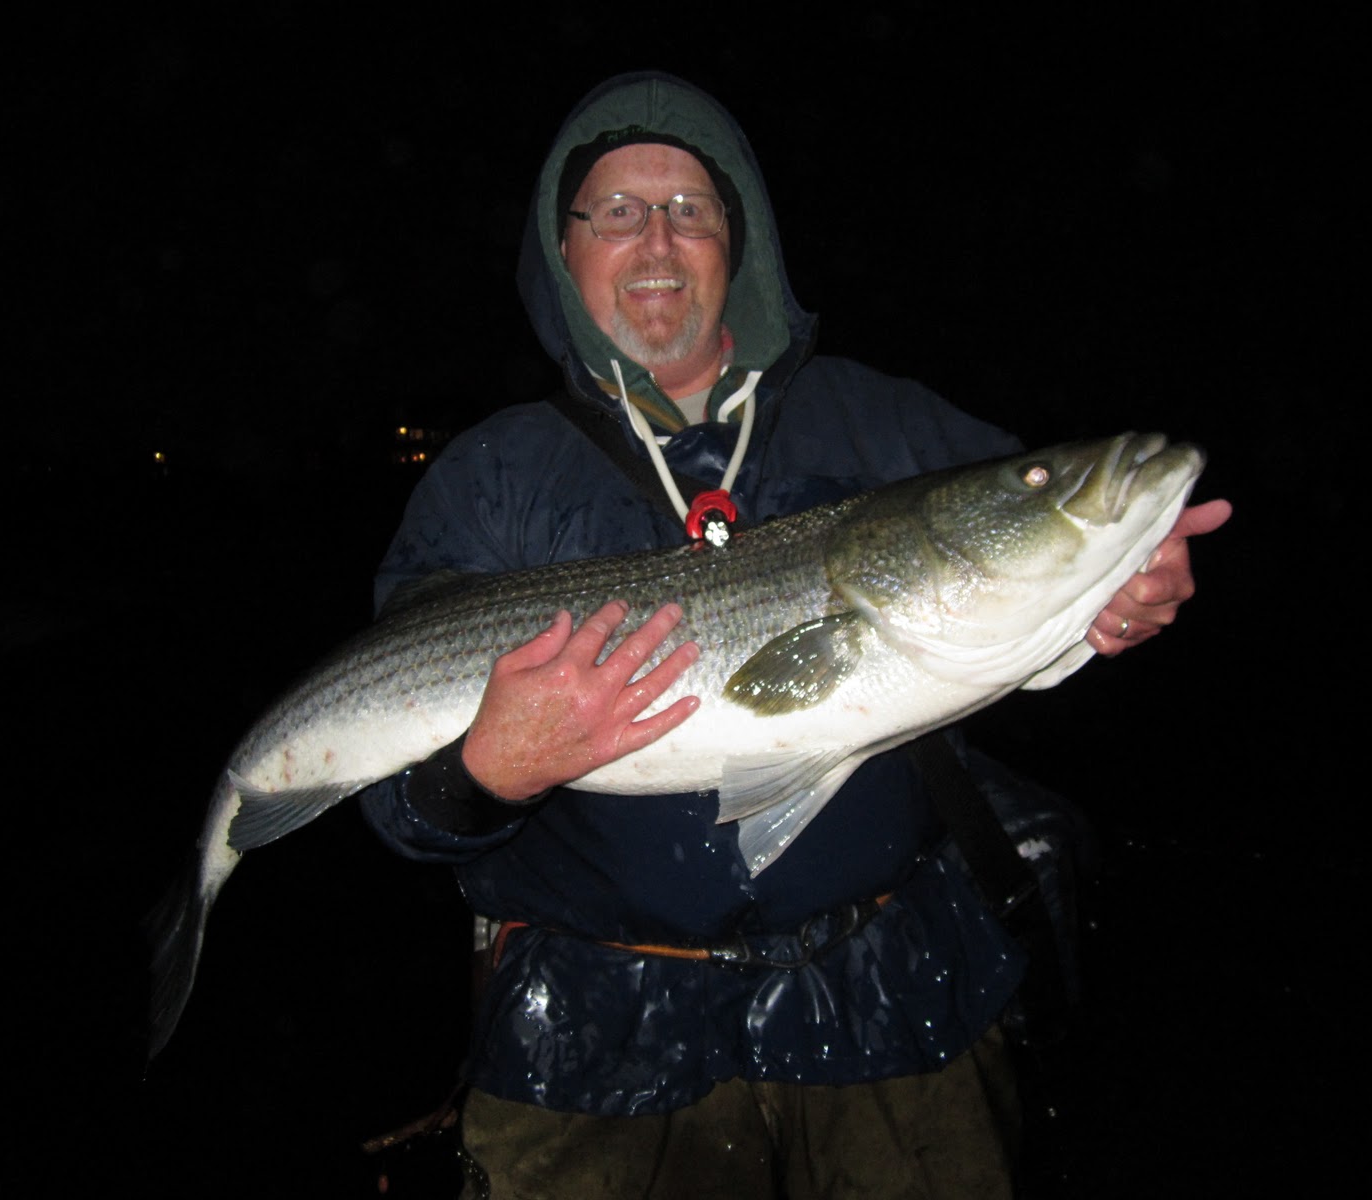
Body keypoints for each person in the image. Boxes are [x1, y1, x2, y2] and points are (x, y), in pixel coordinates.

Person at [362, 71, 1230, 1198]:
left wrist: (1108, 593)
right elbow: (394, 812)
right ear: (561, 252)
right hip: (589, 1037)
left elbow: (1014, 578)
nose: (658, 240)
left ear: (742, 245)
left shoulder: (886, 417)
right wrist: (481, 775)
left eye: (691, 210)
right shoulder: (487, 479)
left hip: (893, 1007)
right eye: (617, 211)